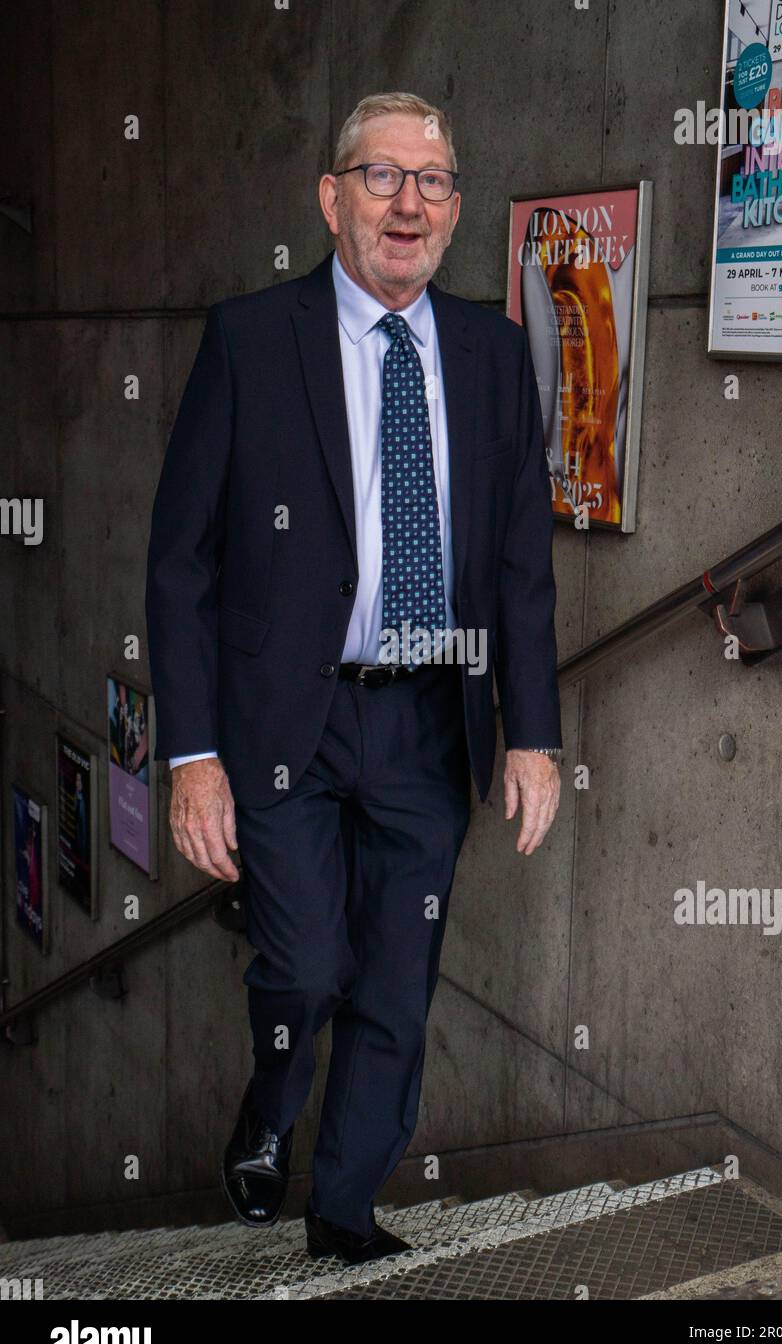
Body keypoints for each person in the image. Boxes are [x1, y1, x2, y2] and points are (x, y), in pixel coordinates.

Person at [145, 91, 562, 1266]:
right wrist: (191, 756)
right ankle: (272, 1103)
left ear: (456, 210)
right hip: (287, 718)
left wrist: (530, 732)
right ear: (331, 199)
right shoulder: (250, 338)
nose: (408, 203)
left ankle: (342, 1211)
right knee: (310, 962)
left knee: (394, 980)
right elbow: (180, 564)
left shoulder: (490, 352)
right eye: (381, 177)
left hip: (431, 717)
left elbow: (522, 564)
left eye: (432, 182)